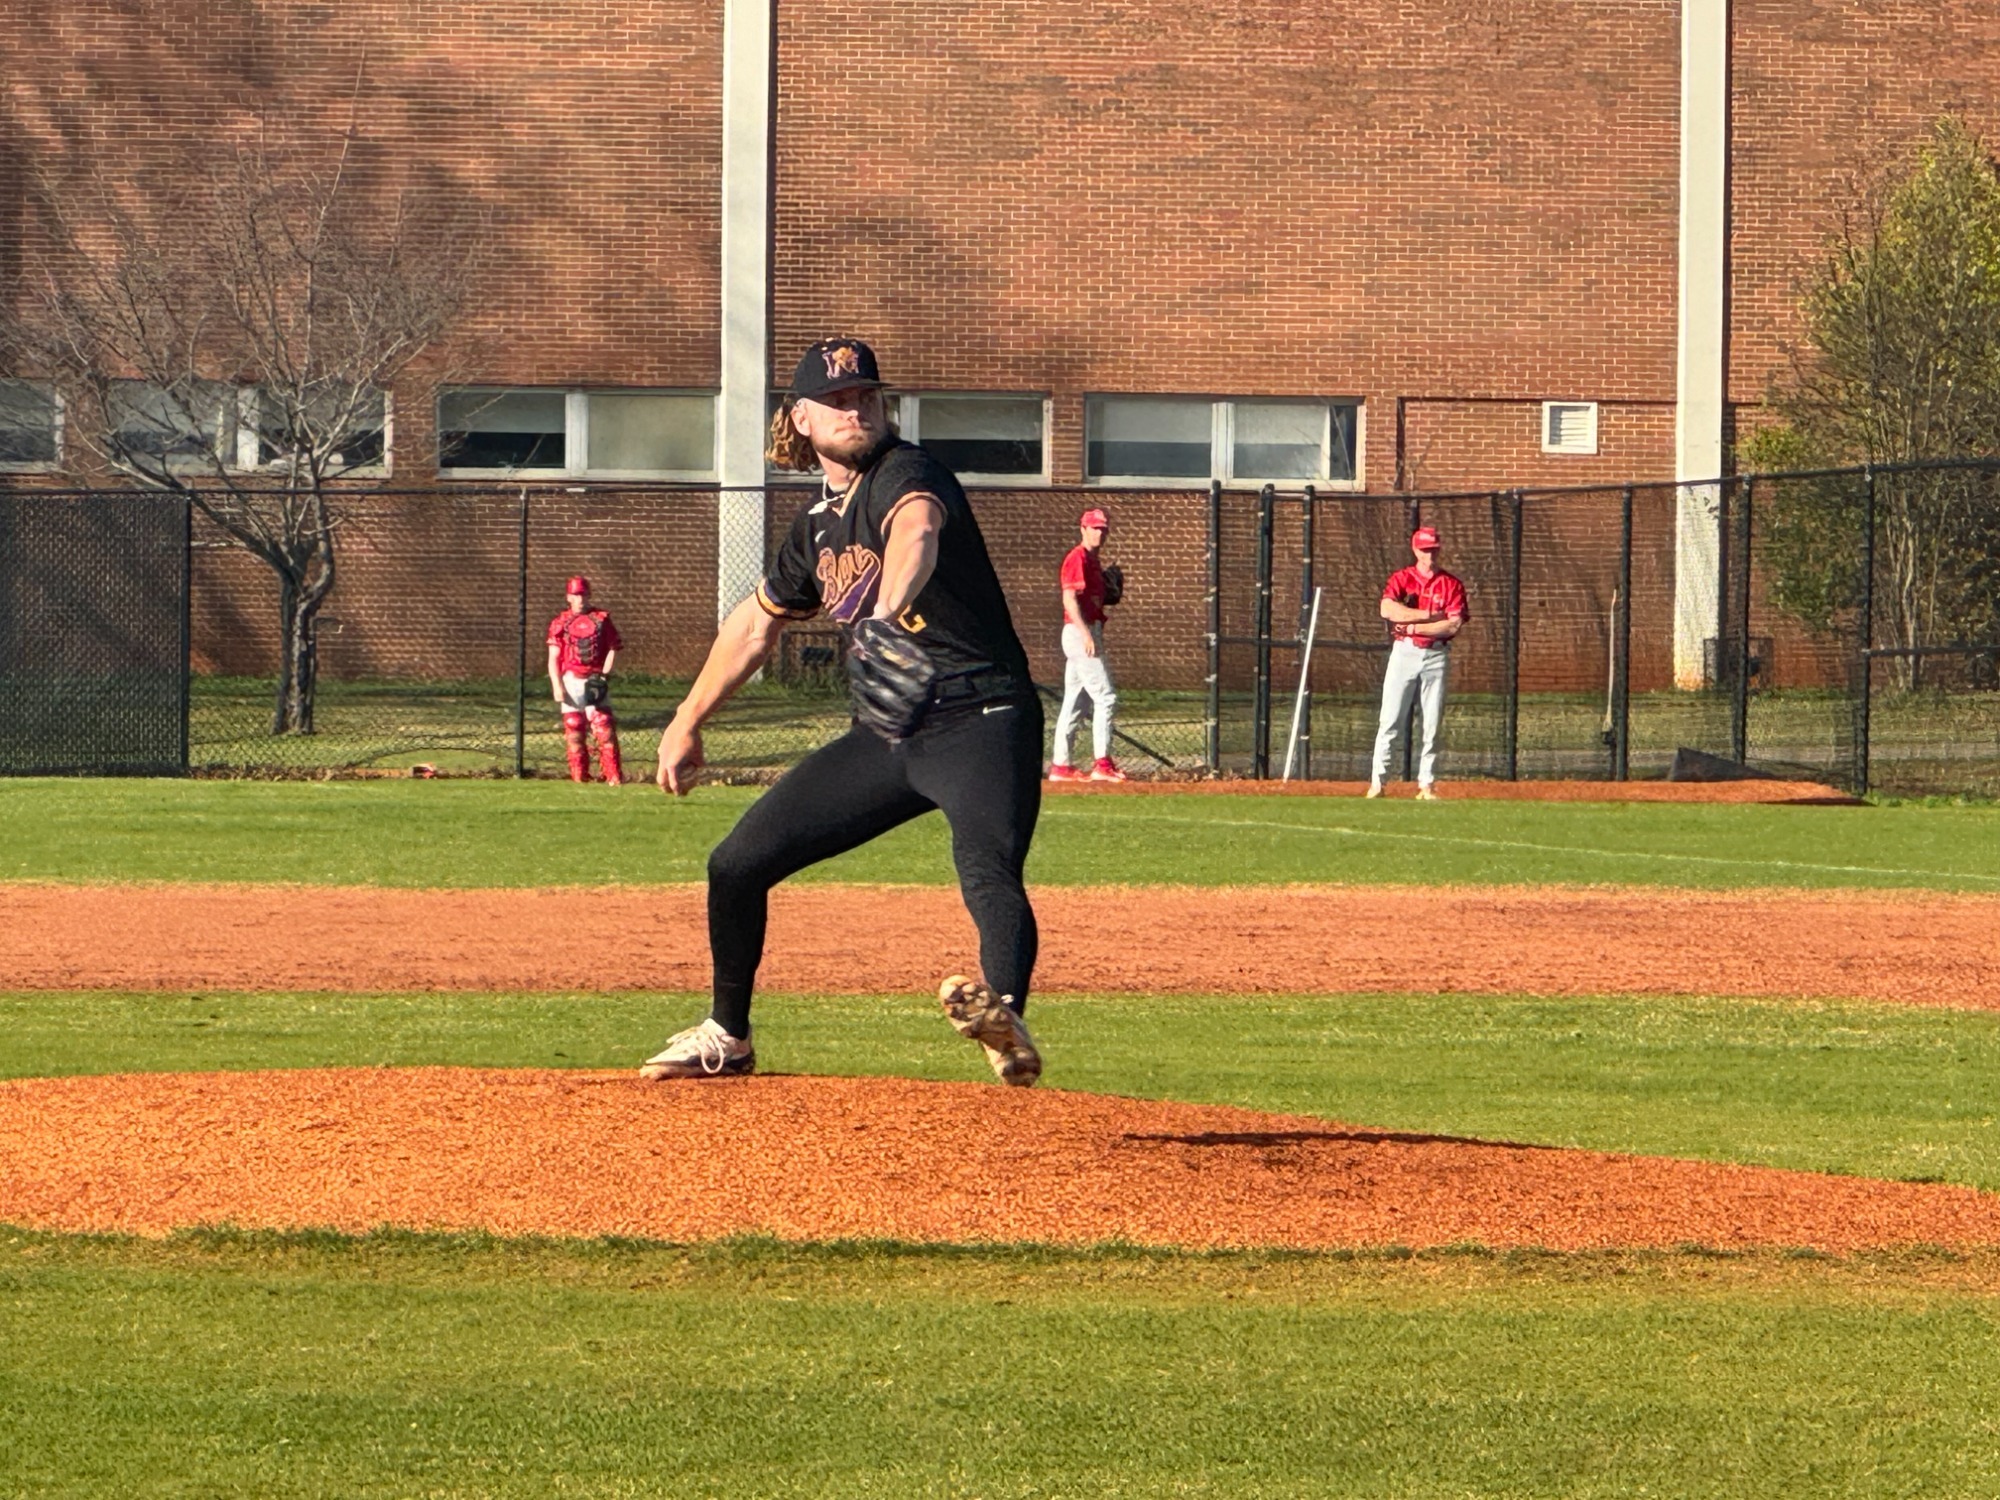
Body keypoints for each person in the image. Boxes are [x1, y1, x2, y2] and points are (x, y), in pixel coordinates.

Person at [644, 336, 1044, 1086]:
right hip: (892, 732)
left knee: (988, 869)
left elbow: (916, 532)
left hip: (983, 715)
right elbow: (755, 626)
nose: (856, 408)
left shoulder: (909, 472)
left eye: (866, 395)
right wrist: (686, 719)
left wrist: (888, 617)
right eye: (837, 400)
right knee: (737, 863)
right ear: (800, 419)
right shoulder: (816, 528)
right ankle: (727, 1036)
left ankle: (1005, 1016)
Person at [1370, 526, 1467, 799]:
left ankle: (1427, 784)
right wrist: (1426, 616)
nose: (1430, 555)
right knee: (1390, 719)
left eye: (1434, 549)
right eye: (1425, 550)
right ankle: (1378, 783)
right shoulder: (1403, 578)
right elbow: (1387, 609)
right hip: (1405, 653)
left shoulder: (1451, 584)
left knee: (1432, 723)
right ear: (1415, 550)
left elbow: (1452, 624)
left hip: (1436, 654)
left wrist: (1412, 626)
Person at [1048, 506, 1126, 782]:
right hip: (1079, 633)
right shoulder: (1077, 558)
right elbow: (1069, 599)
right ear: (1083, 529)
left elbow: (1090, 599)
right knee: (1105, 697)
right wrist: (1085, 635)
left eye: (1103, 529)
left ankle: (1061, 766)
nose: (1099, 533)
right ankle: (1102, 765)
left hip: (1086, 630)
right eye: (1094, 528)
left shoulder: (1093, 562)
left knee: (1076, 699)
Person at [548, 575, 624, 785]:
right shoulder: (560, 623)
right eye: (575, 595)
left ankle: (614, 776)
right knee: (574, 728)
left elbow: (613, 648)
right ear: (568, 597)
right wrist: (557, 685)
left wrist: (604, 675)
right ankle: (579, 776)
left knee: (604, 727)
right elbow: (553, 657)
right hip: (571, 680)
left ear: (589, 595)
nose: (580, 599)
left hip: (594, 679)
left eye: (583, 594)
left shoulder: (601, 619)